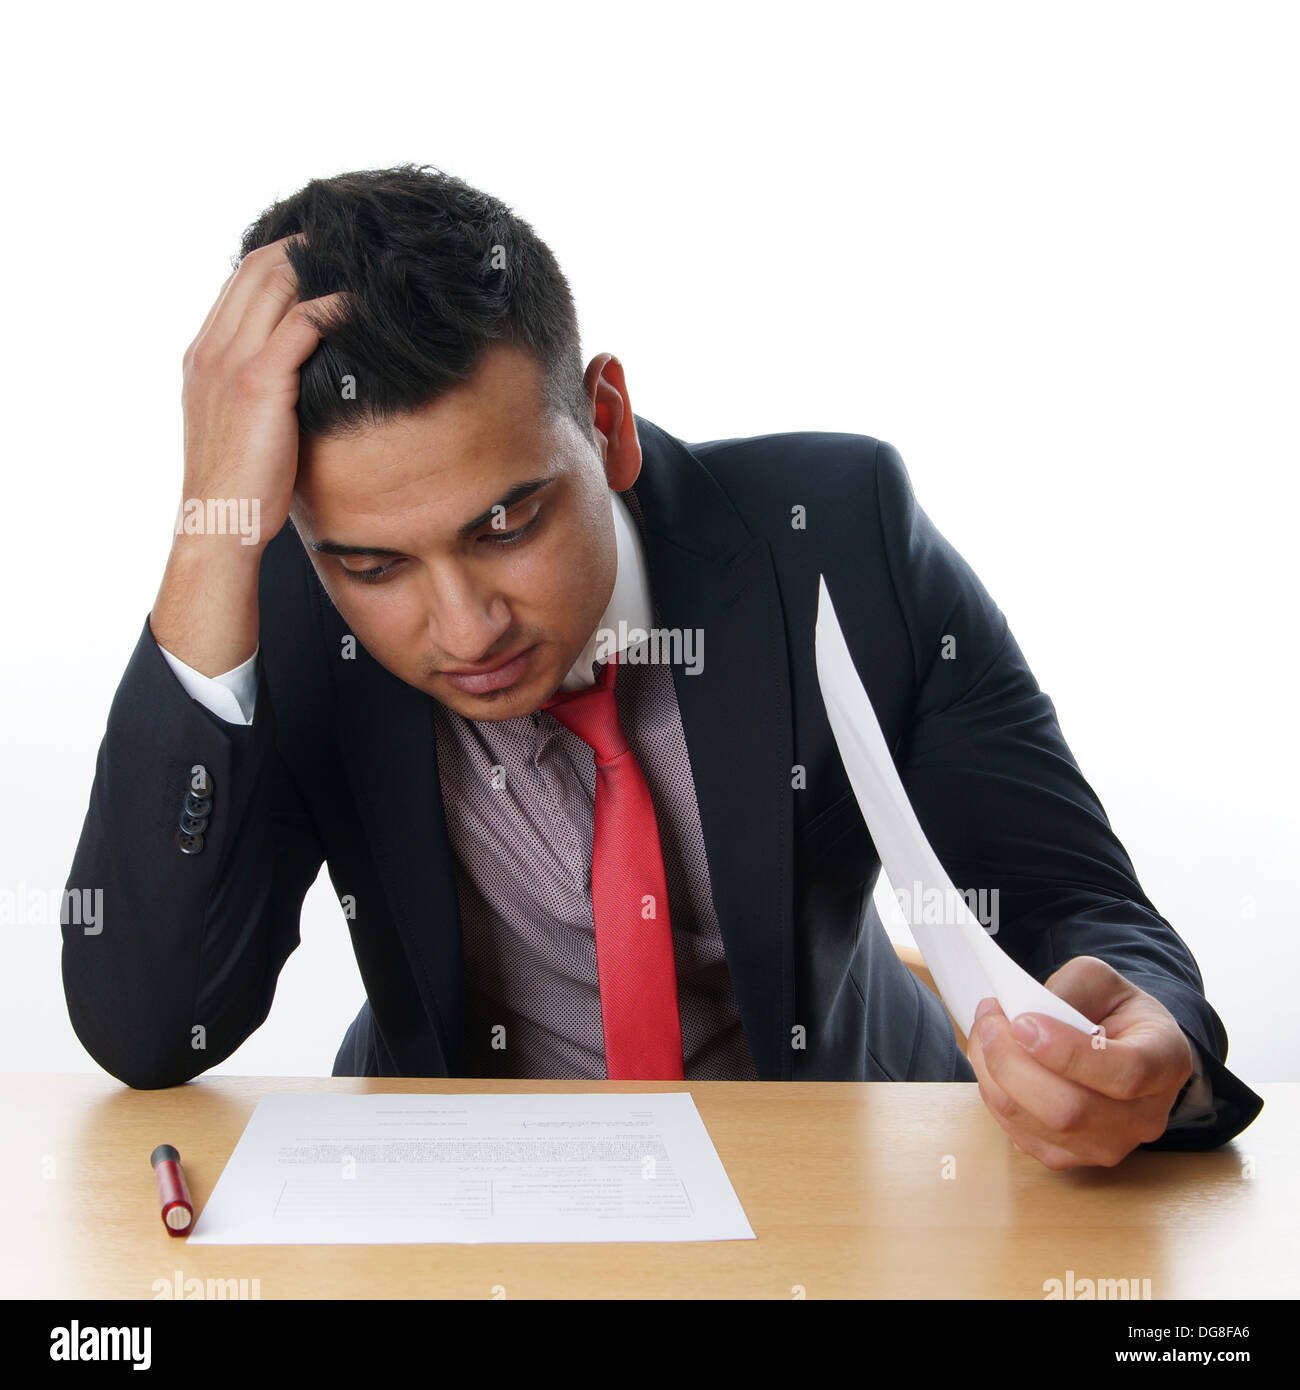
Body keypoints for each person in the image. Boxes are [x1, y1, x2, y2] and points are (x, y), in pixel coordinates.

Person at [61, 163, 1262, 1168]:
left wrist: (1151, 1032)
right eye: (375, 565)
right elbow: (153, 1025)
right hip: (465, 1191)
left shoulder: (836, 538)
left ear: (608, 420)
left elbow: (1069, 897)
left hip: (842, 1169)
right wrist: (212, 522)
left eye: (506, 522)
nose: (466, 625)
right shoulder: (286, 606)